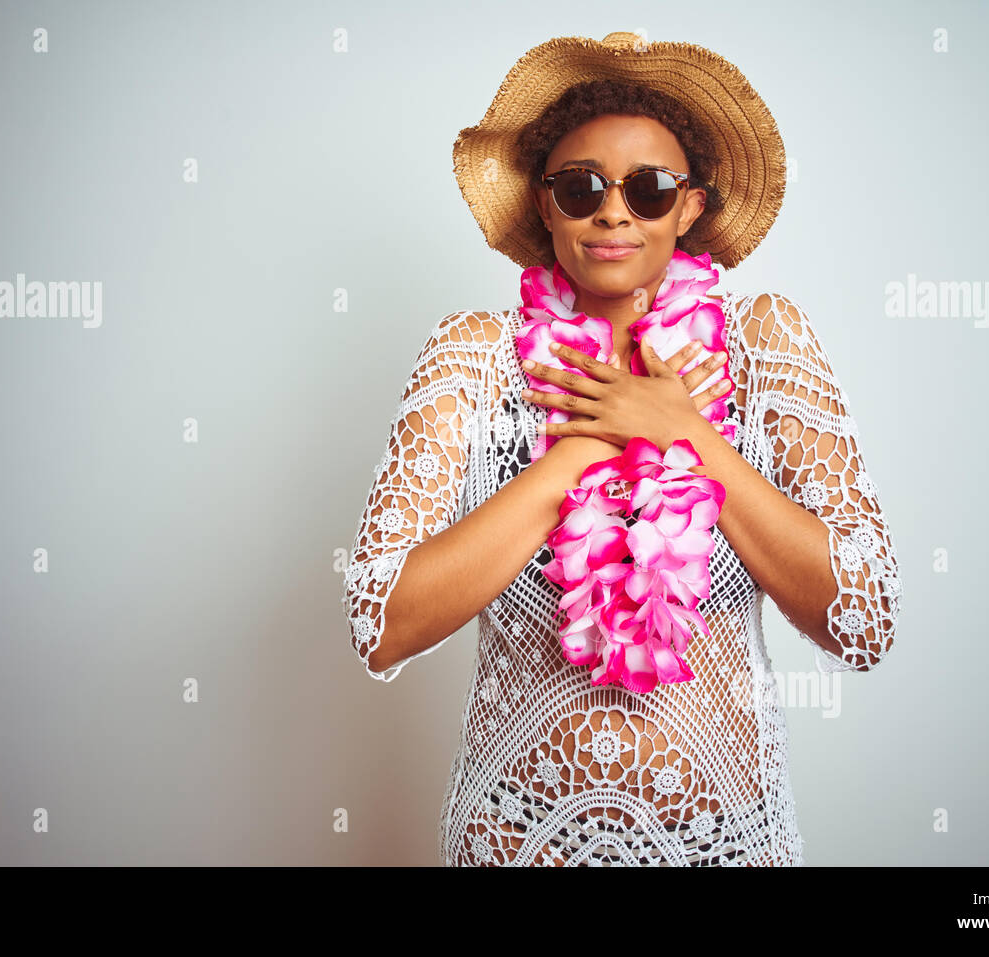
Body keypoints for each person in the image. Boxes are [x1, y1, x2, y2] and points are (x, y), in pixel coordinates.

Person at [342, 31, 902, 866]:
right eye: (581, 187)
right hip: (515, 841)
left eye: (649, 189)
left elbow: (864, 618)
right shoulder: (475, 356)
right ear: (545, 204)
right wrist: (580, 450)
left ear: (692, 208)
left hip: (725, 840)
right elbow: (381, 622)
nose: (613, 211)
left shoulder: (759, 343)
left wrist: (687, 435)